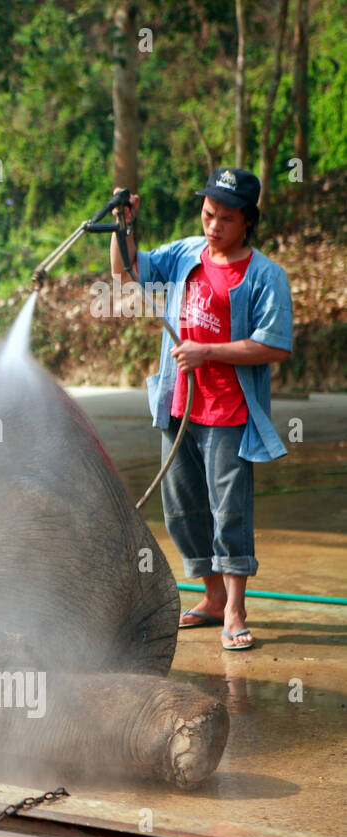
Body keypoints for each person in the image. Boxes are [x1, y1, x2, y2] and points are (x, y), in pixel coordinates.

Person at [110, 168, 293, 650]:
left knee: (229, 512)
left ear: (247, 222)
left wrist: (208, 352)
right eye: (208, 214)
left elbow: (273, 346)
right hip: (181, 406)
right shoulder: (185, 254)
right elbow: (126, 273)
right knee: (183, 511)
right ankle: (212, 598)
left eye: (226, 219)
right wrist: (123, 225)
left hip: (229, 412)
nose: (213, 226)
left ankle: (235, 610)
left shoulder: (265, 276)